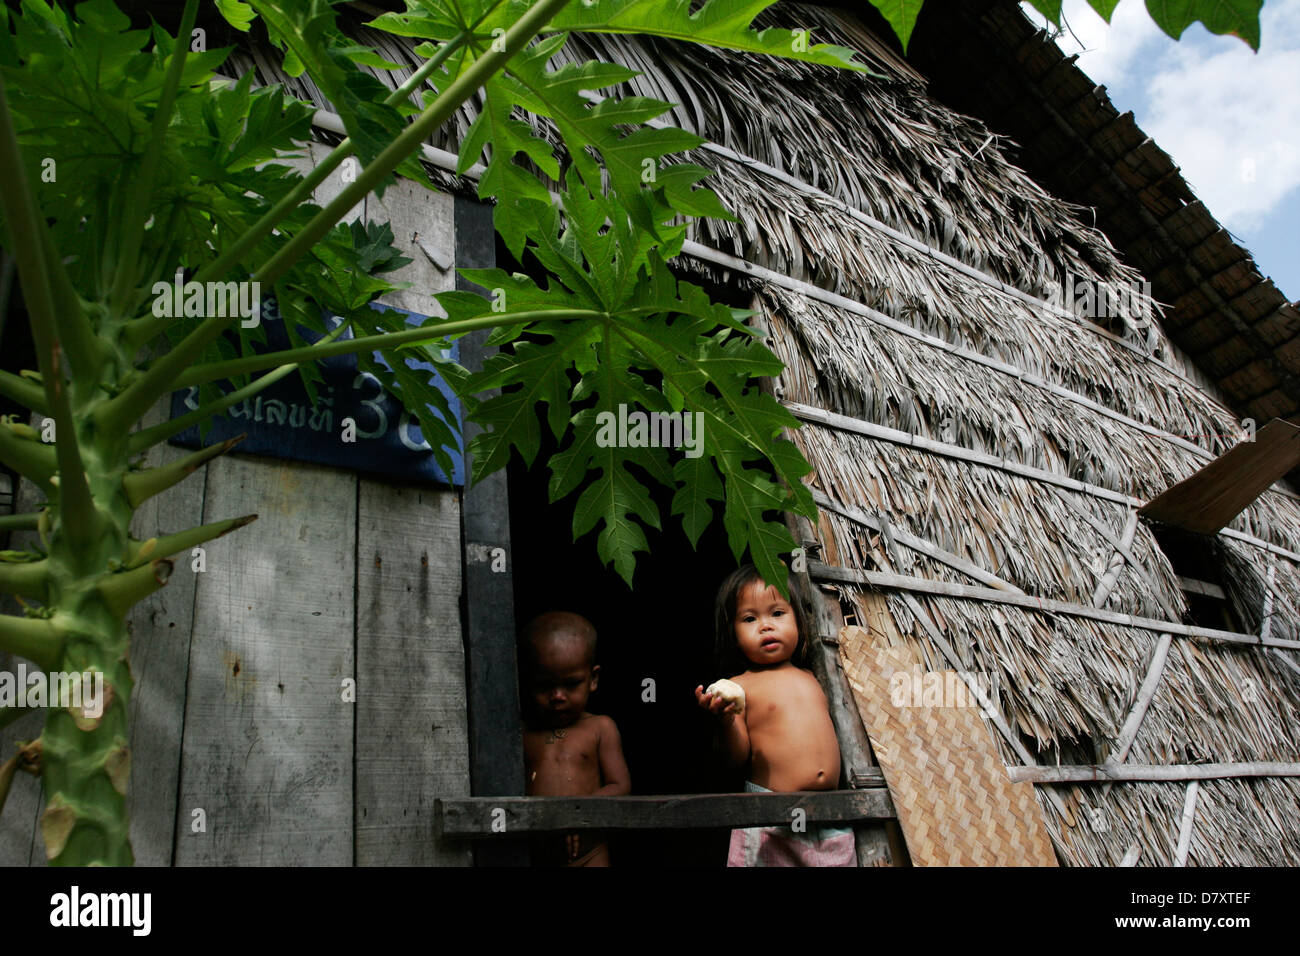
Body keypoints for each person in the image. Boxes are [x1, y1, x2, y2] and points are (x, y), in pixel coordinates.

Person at [695, 565, 856, 866]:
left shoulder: (817, 676)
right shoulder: (741, 686)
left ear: (798, 618)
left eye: (777, 613)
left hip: (830, 815)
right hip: (773, 817)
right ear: (733, 632)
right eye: (750, 618)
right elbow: (735, 759)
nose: (765, 626)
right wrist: (725, 719)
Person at [521, 611, 631, 866]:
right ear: (526, 681)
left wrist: (576, 812)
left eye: (571, 684)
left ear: (593, 679)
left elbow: (620, 786)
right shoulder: (521, 734)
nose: (557, 696)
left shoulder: (600, 728)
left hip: (589, 852)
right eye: (544, 685)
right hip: (536, 853)